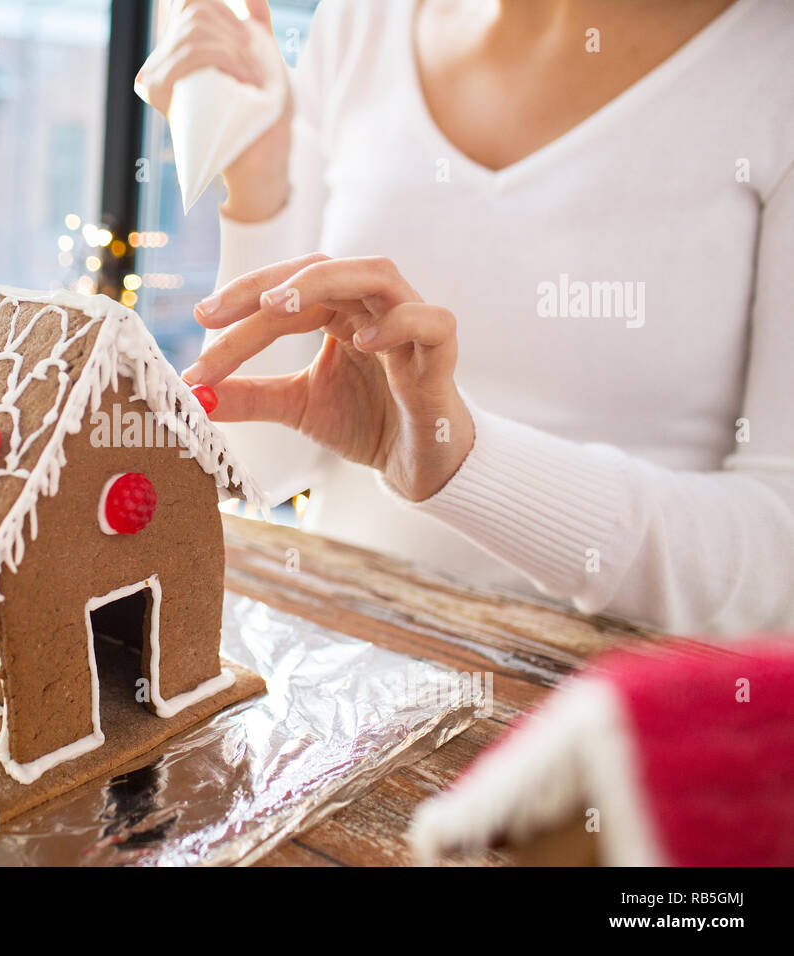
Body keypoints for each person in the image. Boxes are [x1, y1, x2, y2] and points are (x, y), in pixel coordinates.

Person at [136, 0, 794, 635]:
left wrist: (464, 463)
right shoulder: (360, 22)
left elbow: (777, 565)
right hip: (339, 677)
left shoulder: (770, 63)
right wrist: (259, 184)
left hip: (600, 719)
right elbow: (263, 461)